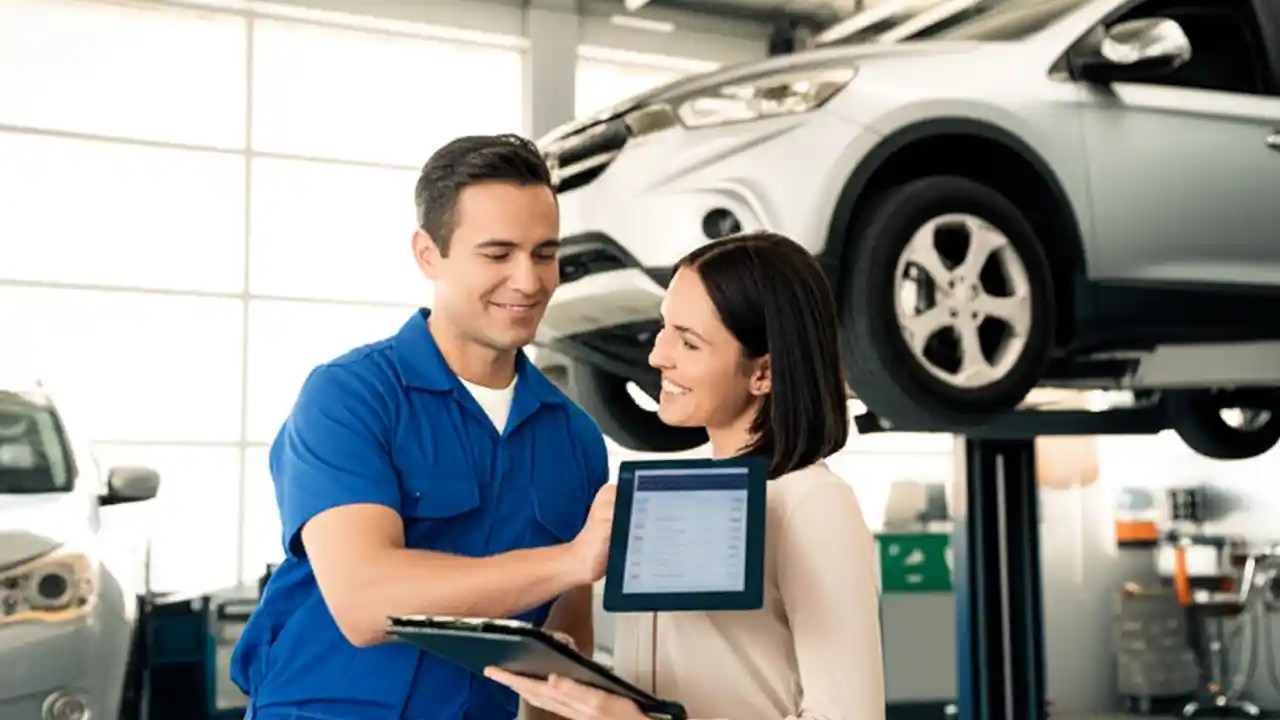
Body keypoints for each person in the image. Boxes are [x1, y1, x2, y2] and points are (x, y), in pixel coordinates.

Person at [230, 133, 616, 720]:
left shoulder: (574, 438)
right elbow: (366, 602)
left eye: (544, 253)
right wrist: (570, 559)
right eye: (497, 254)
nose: (529, 281)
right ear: (428, 254)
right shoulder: (351, 396)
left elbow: (562, 653)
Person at [487, 231, 887, 720]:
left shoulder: (813, 504)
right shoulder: (670, 496)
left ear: (764, 372)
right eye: (664, 327)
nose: (658, 356)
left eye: (689, 342)